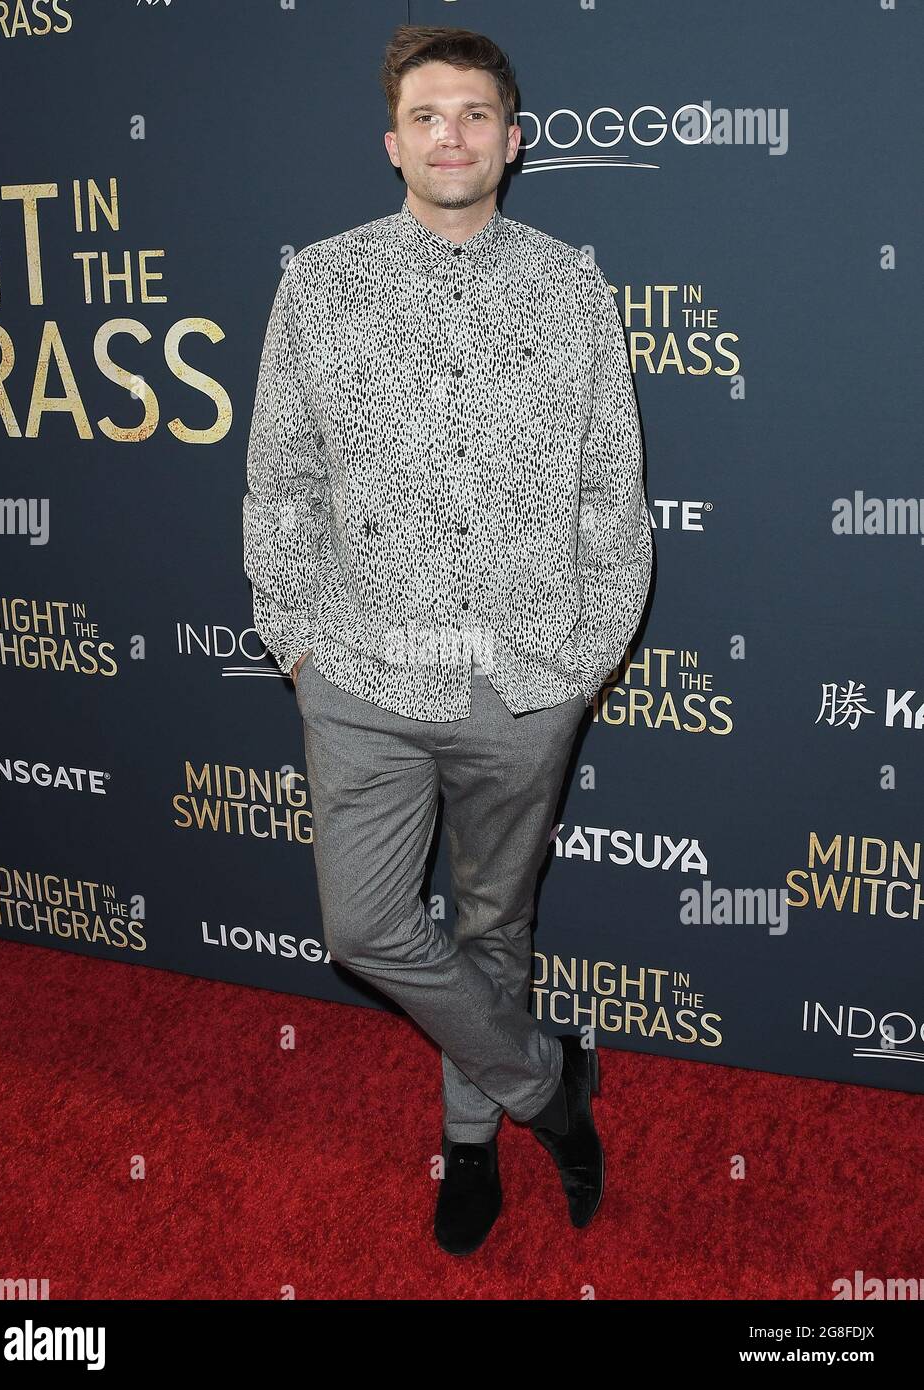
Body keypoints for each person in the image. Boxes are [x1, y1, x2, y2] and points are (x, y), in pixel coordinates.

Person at [242, 23, 653, 1256]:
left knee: (492, 925)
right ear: (393, 143)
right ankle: (547, 1084)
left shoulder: (573, 283)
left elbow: (611, 498)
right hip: (361, 675)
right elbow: (281, 485)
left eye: (475, 115)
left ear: (512, 142)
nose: (452, 137)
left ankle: (470, 1143)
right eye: (428, 116)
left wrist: (580, 666)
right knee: (365, 928)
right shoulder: (318, 282)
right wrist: (301, 646)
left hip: (524, 681)